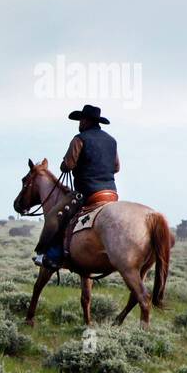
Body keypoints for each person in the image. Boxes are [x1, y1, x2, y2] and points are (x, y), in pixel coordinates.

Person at [34, 104, 120, 270]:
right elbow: (116, 168)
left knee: (53, 217)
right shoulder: (111, 141)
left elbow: (68, 164)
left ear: (86, 121)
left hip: (87, 193)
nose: (79, 123)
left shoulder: (79, 139)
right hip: (111, 194)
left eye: (81, 120)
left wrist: (64, 165)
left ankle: (44, 254)